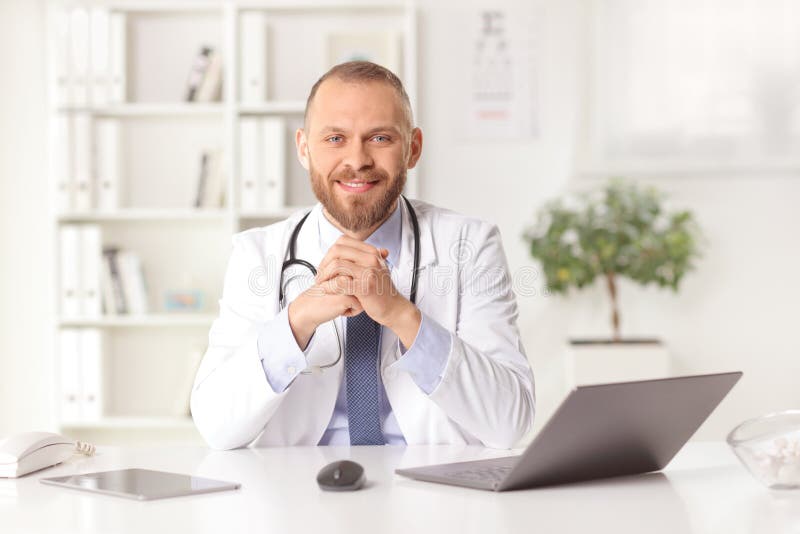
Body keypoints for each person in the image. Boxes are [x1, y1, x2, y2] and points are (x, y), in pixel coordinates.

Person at [190, 61, 535, 450]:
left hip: (431, 493)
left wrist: (401, 315)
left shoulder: (471, 246)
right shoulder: (256, 253)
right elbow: (216, 426)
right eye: (335, 138)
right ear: (304, 149)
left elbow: (510, 422)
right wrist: (298, 321)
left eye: (380, 138)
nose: (357, 160)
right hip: (297, 493)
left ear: (413, 148)